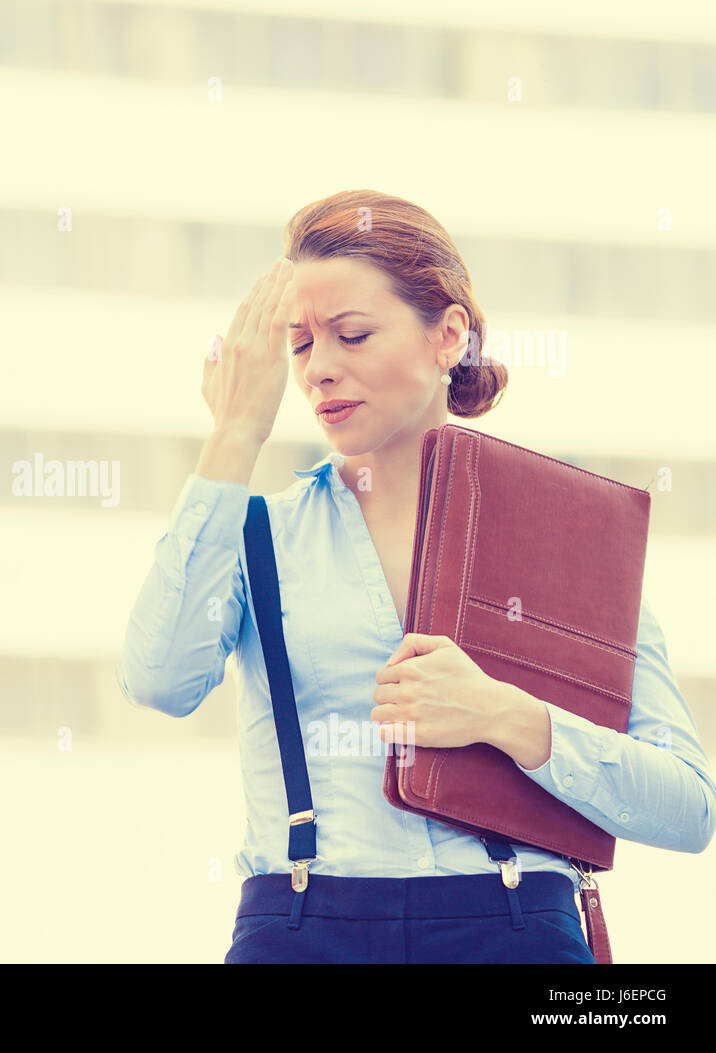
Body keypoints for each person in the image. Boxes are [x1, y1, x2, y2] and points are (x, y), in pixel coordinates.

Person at [114, 189, 716, 964]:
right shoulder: (261, 532)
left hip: (513, 924)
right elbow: (160, 679)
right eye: (298, 345)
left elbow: (688, 805)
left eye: (352, 334)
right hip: (300, 926)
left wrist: (509, 717)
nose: (320, 369)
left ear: (448, 337)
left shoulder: (564, 537)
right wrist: (233, 435)